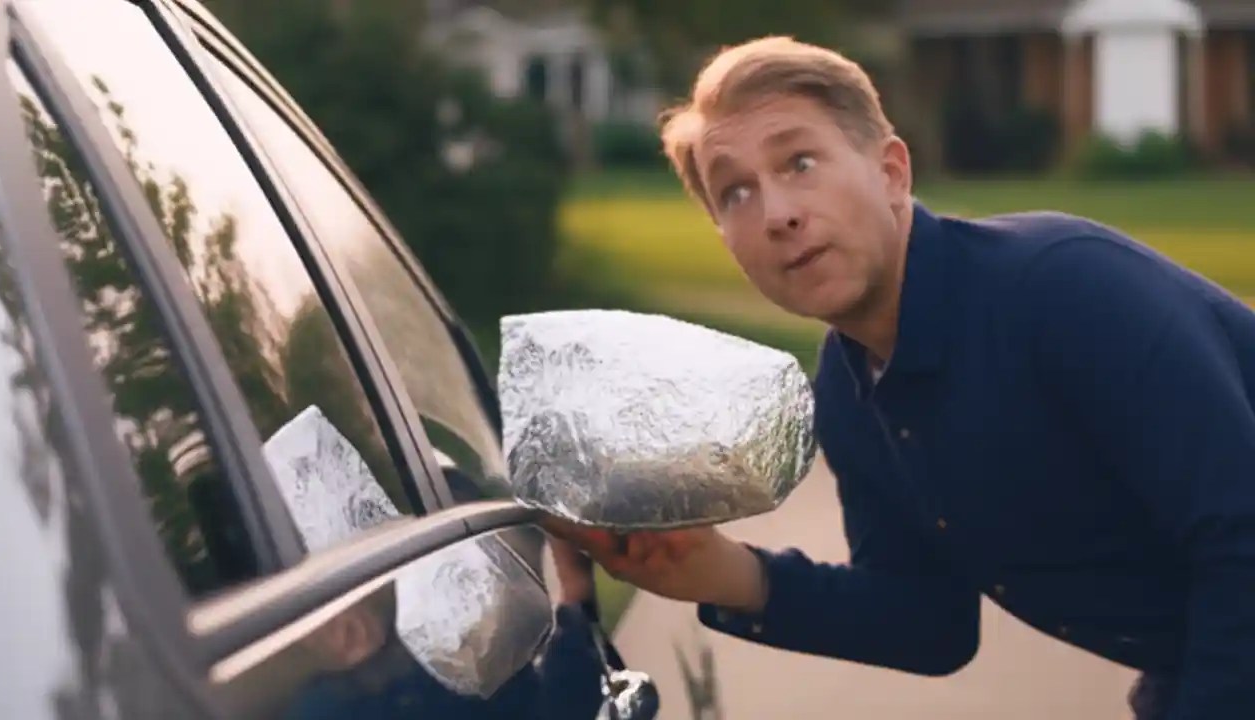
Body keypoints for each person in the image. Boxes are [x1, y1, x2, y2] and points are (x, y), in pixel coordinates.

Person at [553, 35, 1255, 720]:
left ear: (891, 172)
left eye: (800, 162)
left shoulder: (1063, 288)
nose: (778, 214)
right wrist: (726, 573)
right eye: (736, 193)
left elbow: (1242, 539)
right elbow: (929, 622)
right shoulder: (847, 391)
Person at [289, 535, 614, 719]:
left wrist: (574, 596)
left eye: (328, 594)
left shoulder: (461, 650)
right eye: (303, 617)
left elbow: (554, 706)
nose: (331, 625)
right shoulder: (322, 710)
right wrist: (576, 596)